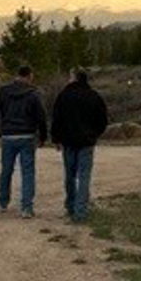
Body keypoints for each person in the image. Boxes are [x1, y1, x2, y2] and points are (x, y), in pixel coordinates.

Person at [0, 65, 48, 218]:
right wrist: (43, 136)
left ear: (17, 75)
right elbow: (41, 117)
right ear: (29, 76)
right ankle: (26, 207)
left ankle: (3, 202)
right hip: (27, 136)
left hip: (8, 136)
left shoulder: (3, 91)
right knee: (27, 172)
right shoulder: (33, 94)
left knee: (6, 170)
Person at [50, 68, 108, 222]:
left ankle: (70, 206)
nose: (68, 80)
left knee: (69, 175)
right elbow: (102, 120)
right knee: (84, 176)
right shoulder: (94, 96)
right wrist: (94, 134)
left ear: (74, 79)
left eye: (70, 77)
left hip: (68, 142)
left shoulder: (63, 96)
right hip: (86, 142)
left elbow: (56, 119)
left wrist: (56, 139)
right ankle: (80, 211)